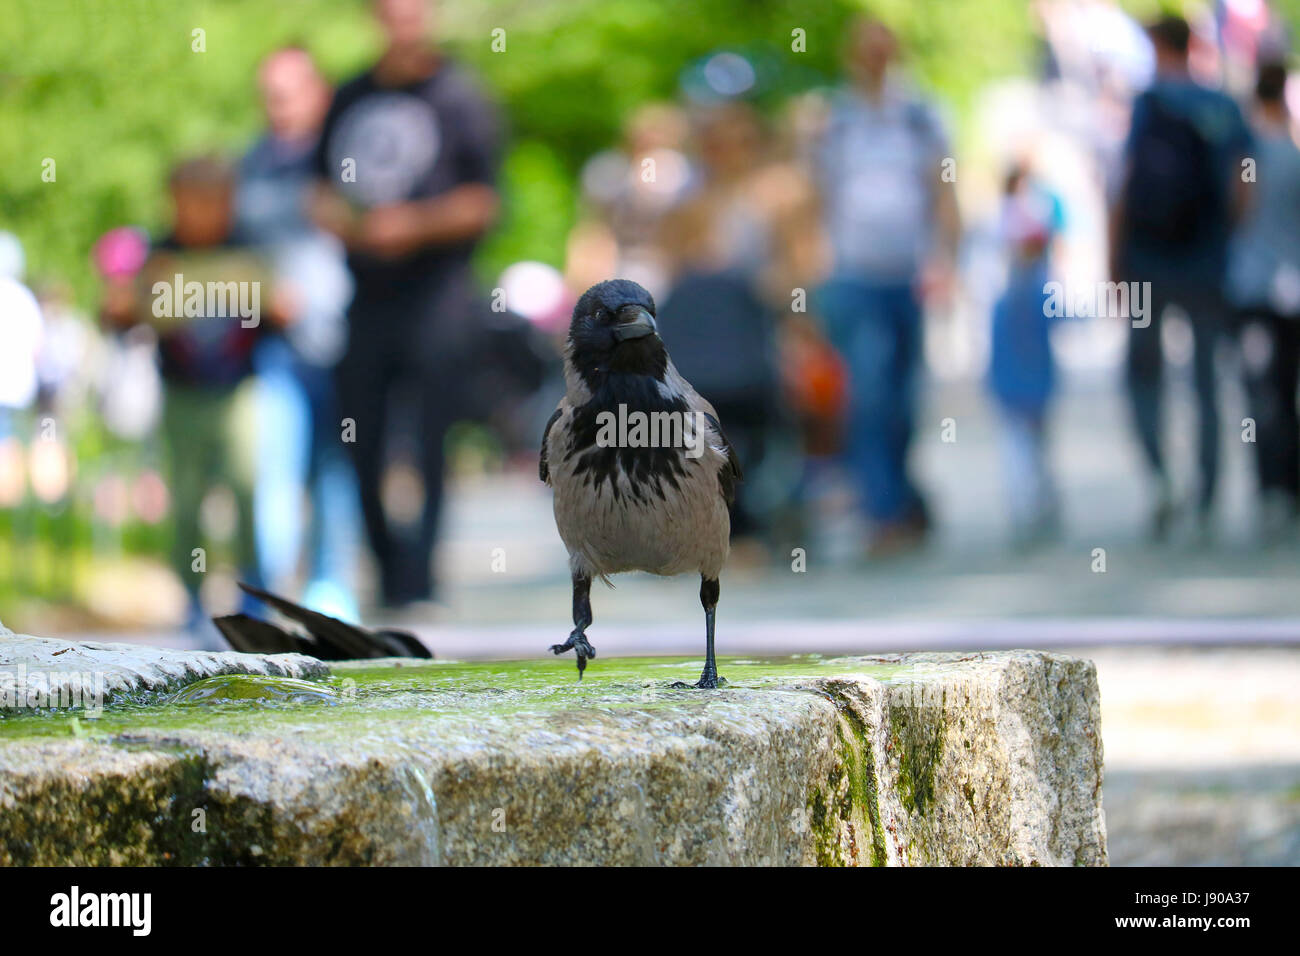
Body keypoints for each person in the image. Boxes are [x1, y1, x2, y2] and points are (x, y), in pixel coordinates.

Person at [311, 0, 502, 610]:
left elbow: (485, 201)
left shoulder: (461, 95)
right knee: (359, 440)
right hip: (365, 299)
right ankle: (388, 574)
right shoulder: (350, 96)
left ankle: (422, 581)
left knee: (428, 441)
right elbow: (316, 190)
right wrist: (350, 224)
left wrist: (413, 225)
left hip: (439, 299)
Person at [109, 157, 283, 643]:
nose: (203, 216)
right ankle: (191, 597)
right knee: (186, 501)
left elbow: (279, 311)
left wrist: (280, 304)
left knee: (246, 492)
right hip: (181, 394)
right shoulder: (159, 254)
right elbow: (124, 314)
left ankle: (254, 596)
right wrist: (124, 304)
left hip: (239, 391)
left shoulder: (247, 248)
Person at [812, 16, 961, 557]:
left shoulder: (922, 115)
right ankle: (882, 513)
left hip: (909, 274)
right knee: (868, 392)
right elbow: (813, 197)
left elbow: (944, 188)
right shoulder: (834, 119)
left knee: (902, 398)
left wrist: (948, 259)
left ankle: (900, 496)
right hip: (852, 275)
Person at [1110, 15, 1252, 539]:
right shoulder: (1223, 105)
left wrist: (1114, 260)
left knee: (1143, 377)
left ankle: (1160, 478)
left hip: (1146, 261)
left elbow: (1122, 187)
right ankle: (1208, 491)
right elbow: (1244, 186)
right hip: (1207, 262)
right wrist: (1226, 236)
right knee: (1207, 380)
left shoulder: (1146, 105)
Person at [238, 46, 360, 621]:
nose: (280, 104)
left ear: (319, 90)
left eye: (291, 90)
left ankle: (330, 589)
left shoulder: (344, 156)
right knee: (272, 467)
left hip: (343, 341)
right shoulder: (251, 165)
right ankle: (264, 595)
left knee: (335, 469)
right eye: (271, 92)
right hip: (273, 347)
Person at [1228, 61, 1300, 541]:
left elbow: (1238, 210)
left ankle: (1272, 483)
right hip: (1290, 287)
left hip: (1254, 285)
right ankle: (1288, 484)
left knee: (1261, 393)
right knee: (1286, 390)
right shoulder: (1294, 155)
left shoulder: (1250, 154)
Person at [988, 163, 1067, 546]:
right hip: (1032, 384)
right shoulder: (1034, 289)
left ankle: (1030, 504)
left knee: (1021, 446)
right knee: (1030, 446)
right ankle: (1033, 504)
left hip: (1014, 385)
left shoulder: (1006, 293)